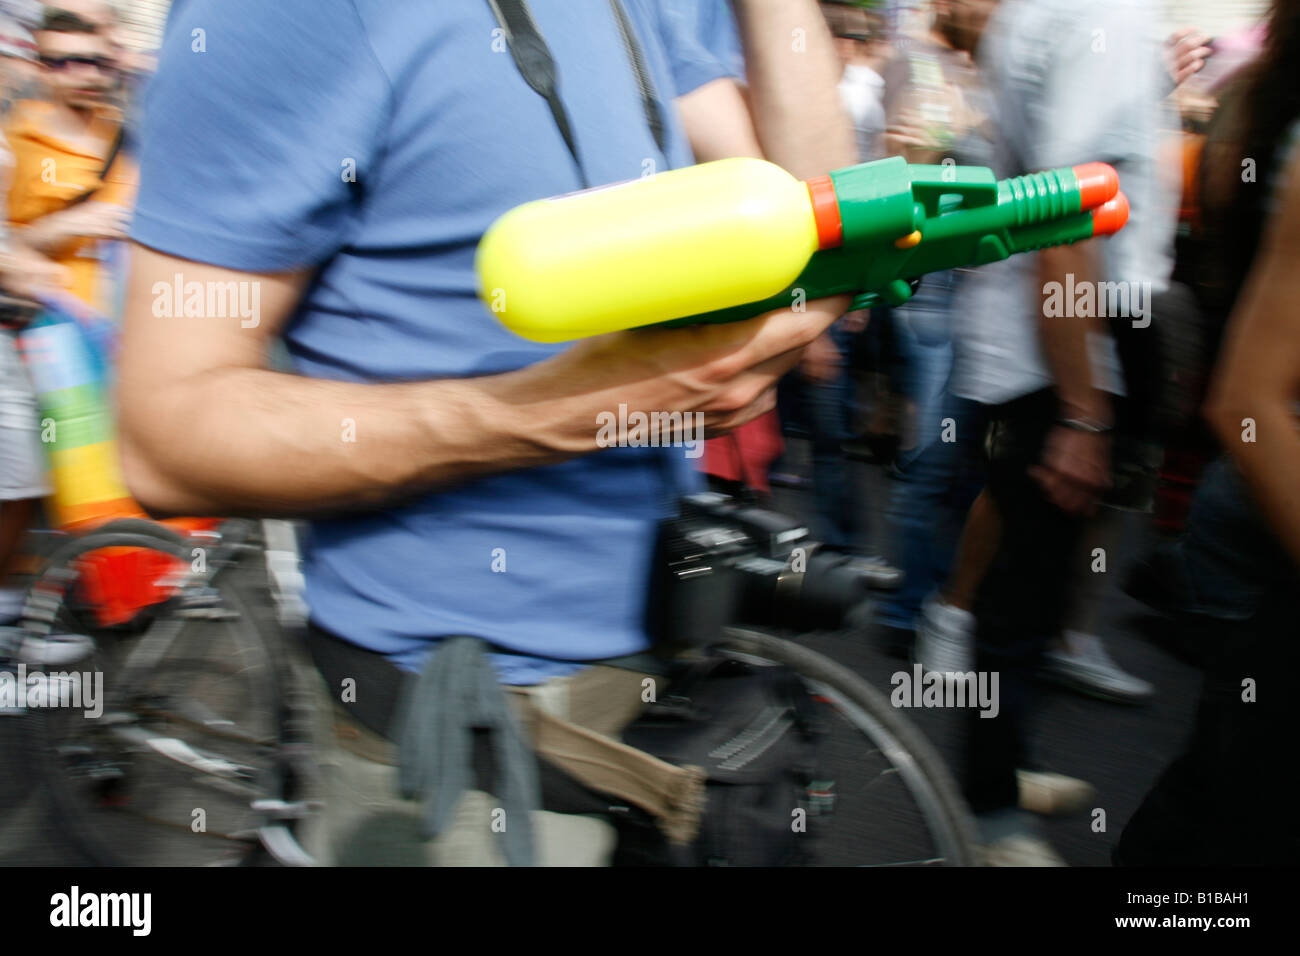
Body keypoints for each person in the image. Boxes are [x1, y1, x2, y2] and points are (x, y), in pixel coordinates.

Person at [117, 0, 855, 865]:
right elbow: (168, 433)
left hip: (666, 693)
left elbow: (820, 235)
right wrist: (567, 410)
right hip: (459, 751)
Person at [942, 0, 1175, 865]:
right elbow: (1064, 216)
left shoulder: (1063, 15)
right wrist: (1082, 408)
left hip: (1056, 341)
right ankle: (990, 811)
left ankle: (1004, 768)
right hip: (1055, 352)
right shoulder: (1098, 16)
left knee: (1033, 585)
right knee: (1022, 590)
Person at [1118, 0, 1300, 865]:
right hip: (1267, 504)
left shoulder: (1257, 105)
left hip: (1247, 493)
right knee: (1222, 824)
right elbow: (1251, 398)